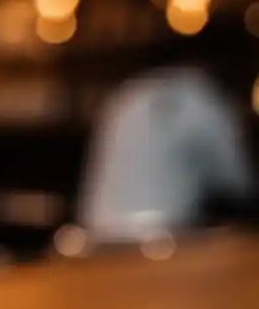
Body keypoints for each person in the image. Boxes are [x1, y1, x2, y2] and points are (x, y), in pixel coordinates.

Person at [80, 25, 254, 242]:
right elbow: (239, 184)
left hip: (96, 237)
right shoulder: (205, 97)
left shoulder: (128, 93)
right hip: (165, 242)